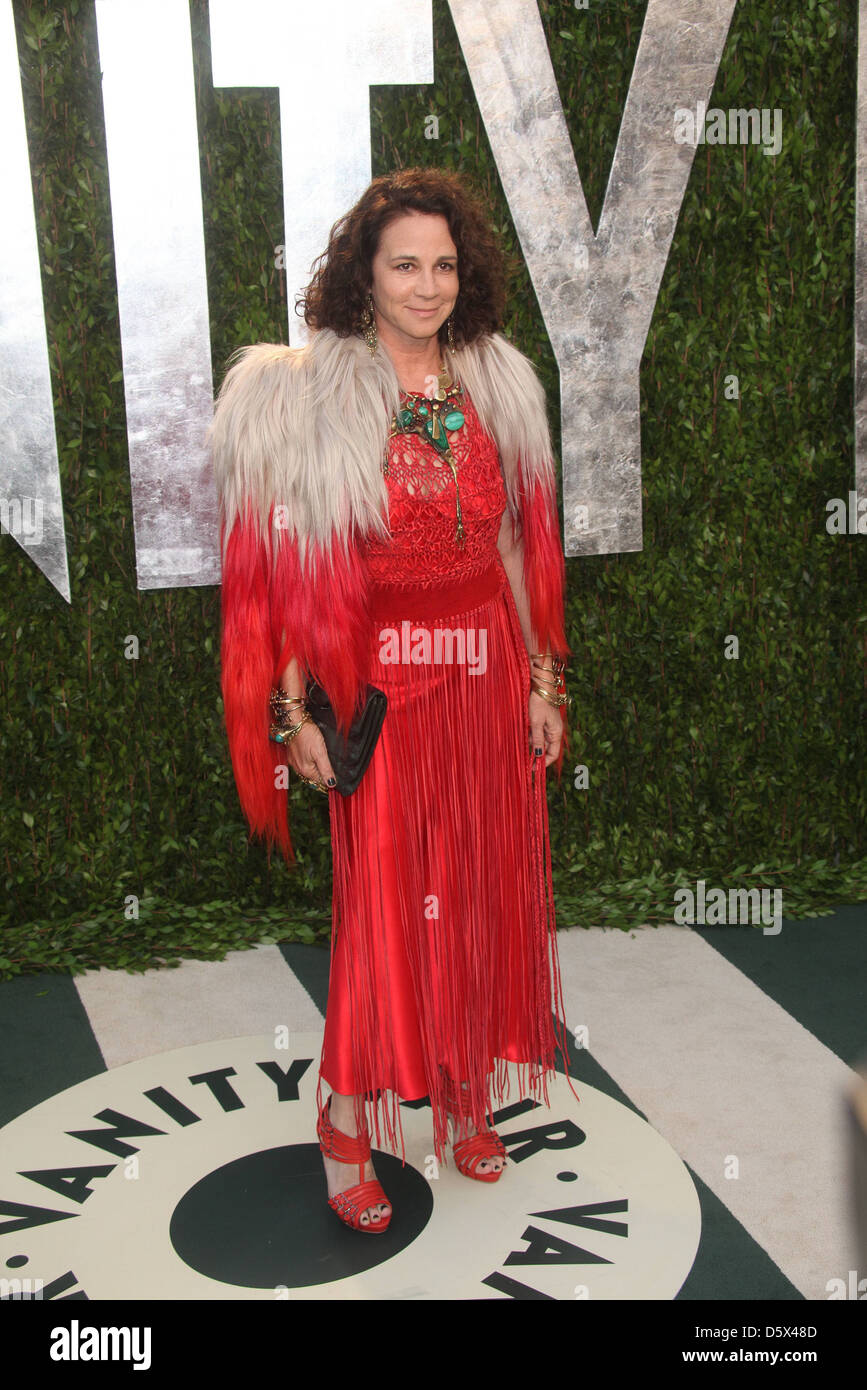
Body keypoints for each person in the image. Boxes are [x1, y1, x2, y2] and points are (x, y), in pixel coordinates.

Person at [209, 167, 579, 1236]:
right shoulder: (309, 396)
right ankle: (342, 1118)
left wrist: (545, 680)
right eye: (404, 265)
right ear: (362, 275)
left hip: (486, 679)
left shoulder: (497, 379)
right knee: (382, 914)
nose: (428, 286)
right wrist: (295, 718)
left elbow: (517, 541)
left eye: (445, 265)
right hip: (379, 693)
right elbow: (283, 576)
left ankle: (464, 1088)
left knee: (479, 891)